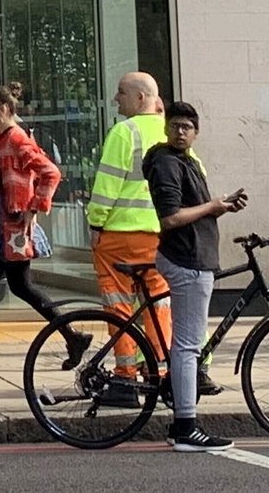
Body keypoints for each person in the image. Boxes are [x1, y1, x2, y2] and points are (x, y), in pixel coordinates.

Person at [0, 84, 89, 374]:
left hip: (11, 225)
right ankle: (69, 337)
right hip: (5, 225)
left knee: (9, 284)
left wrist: (34, 207)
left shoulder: (14, 139)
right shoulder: (1, 138)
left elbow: (51, 172)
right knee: (1, 283)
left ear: (3, 109)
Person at [144, 101, 248, 453]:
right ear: (166, 128)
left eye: (187, 126)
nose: (180, 131)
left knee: (186, 346)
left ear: (196, 132)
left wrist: (221, 205)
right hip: (186, 261)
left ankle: (182, 415)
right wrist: (213, 206)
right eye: (174, 125)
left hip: (195, 258)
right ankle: (185, 427)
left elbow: (196, 210)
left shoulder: (185, 161)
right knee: (187, 347)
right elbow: (170, 217)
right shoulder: (166, 163)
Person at [87, 72, 180, 394]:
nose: (116, 99)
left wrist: (96, 224)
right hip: (161, 237)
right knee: (158, 305)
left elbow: (106, 187)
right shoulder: (172, 133)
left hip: (119, 236)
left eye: (121, 93)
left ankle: (125, 376)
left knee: (118, 305)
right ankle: (162, 374)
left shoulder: (124, 132)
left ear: (141, 98)